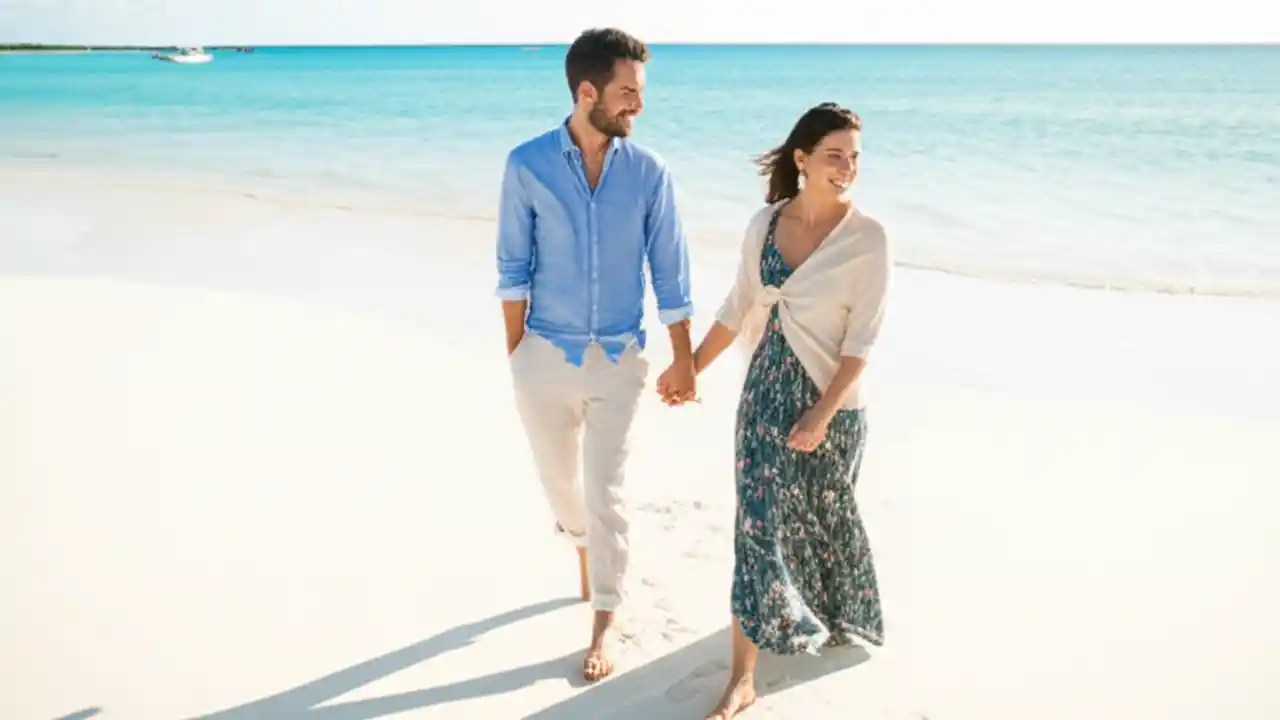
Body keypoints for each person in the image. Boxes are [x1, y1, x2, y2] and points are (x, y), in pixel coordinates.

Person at [658, 102, 889, 718]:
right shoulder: (764, 224)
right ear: (802, 159)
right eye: (835, 155)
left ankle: (815, 615)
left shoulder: (868, 239)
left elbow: (862, 341)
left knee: (819, 526)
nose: (847, 168)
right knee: (756, 527)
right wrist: (689, 368)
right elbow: (736, 309)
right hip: (763, 400)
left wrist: (821, 414)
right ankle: (742, 676)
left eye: (855, 158)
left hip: (833, 408)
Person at [495, 28, 696, 683]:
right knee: (562, 487)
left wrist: (683, 357)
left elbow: (671, 273)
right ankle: (581, 543)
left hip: (618, 359)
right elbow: (512, 266)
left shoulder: (649, 173)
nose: (638, 105)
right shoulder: (526, 165)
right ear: (588, 93)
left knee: (605, 490)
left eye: (641, 92)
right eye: (627, 92)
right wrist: (518, 357)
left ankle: (606, 617)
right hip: (544, 355)